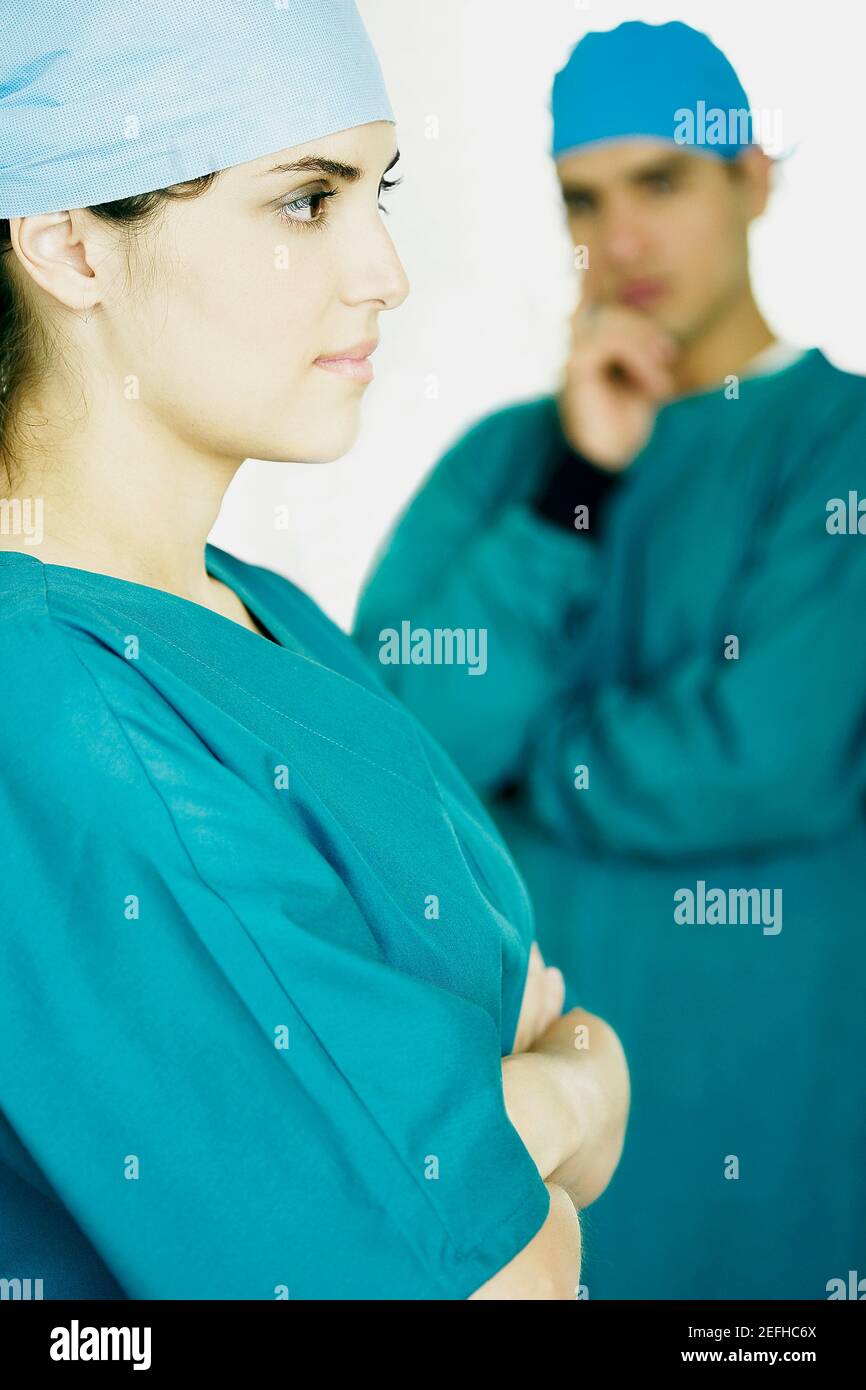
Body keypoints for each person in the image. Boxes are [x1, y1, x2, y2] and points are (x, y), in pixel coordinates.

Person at [0, 0, 630, 1300]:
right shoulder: (62, 716)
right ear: (69, 243)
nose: (384, 269)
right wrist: (568, 1089)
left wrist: (487, 1124)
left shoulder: (261, 609)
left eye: (375, 189)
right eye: (305, 200)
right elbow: (488, 1277)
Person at [354, 20, 866, 1299]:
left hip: (777, 1120)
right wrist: (579, 480)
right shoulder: (505, 464)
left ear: (751, 178)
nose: (620, 238)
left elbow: (767, 758)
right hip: (529, 1148)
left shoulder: (838, 446)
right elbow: (395, 749)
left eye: (661, 182)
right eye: (584, 196)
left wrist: (528, 758)